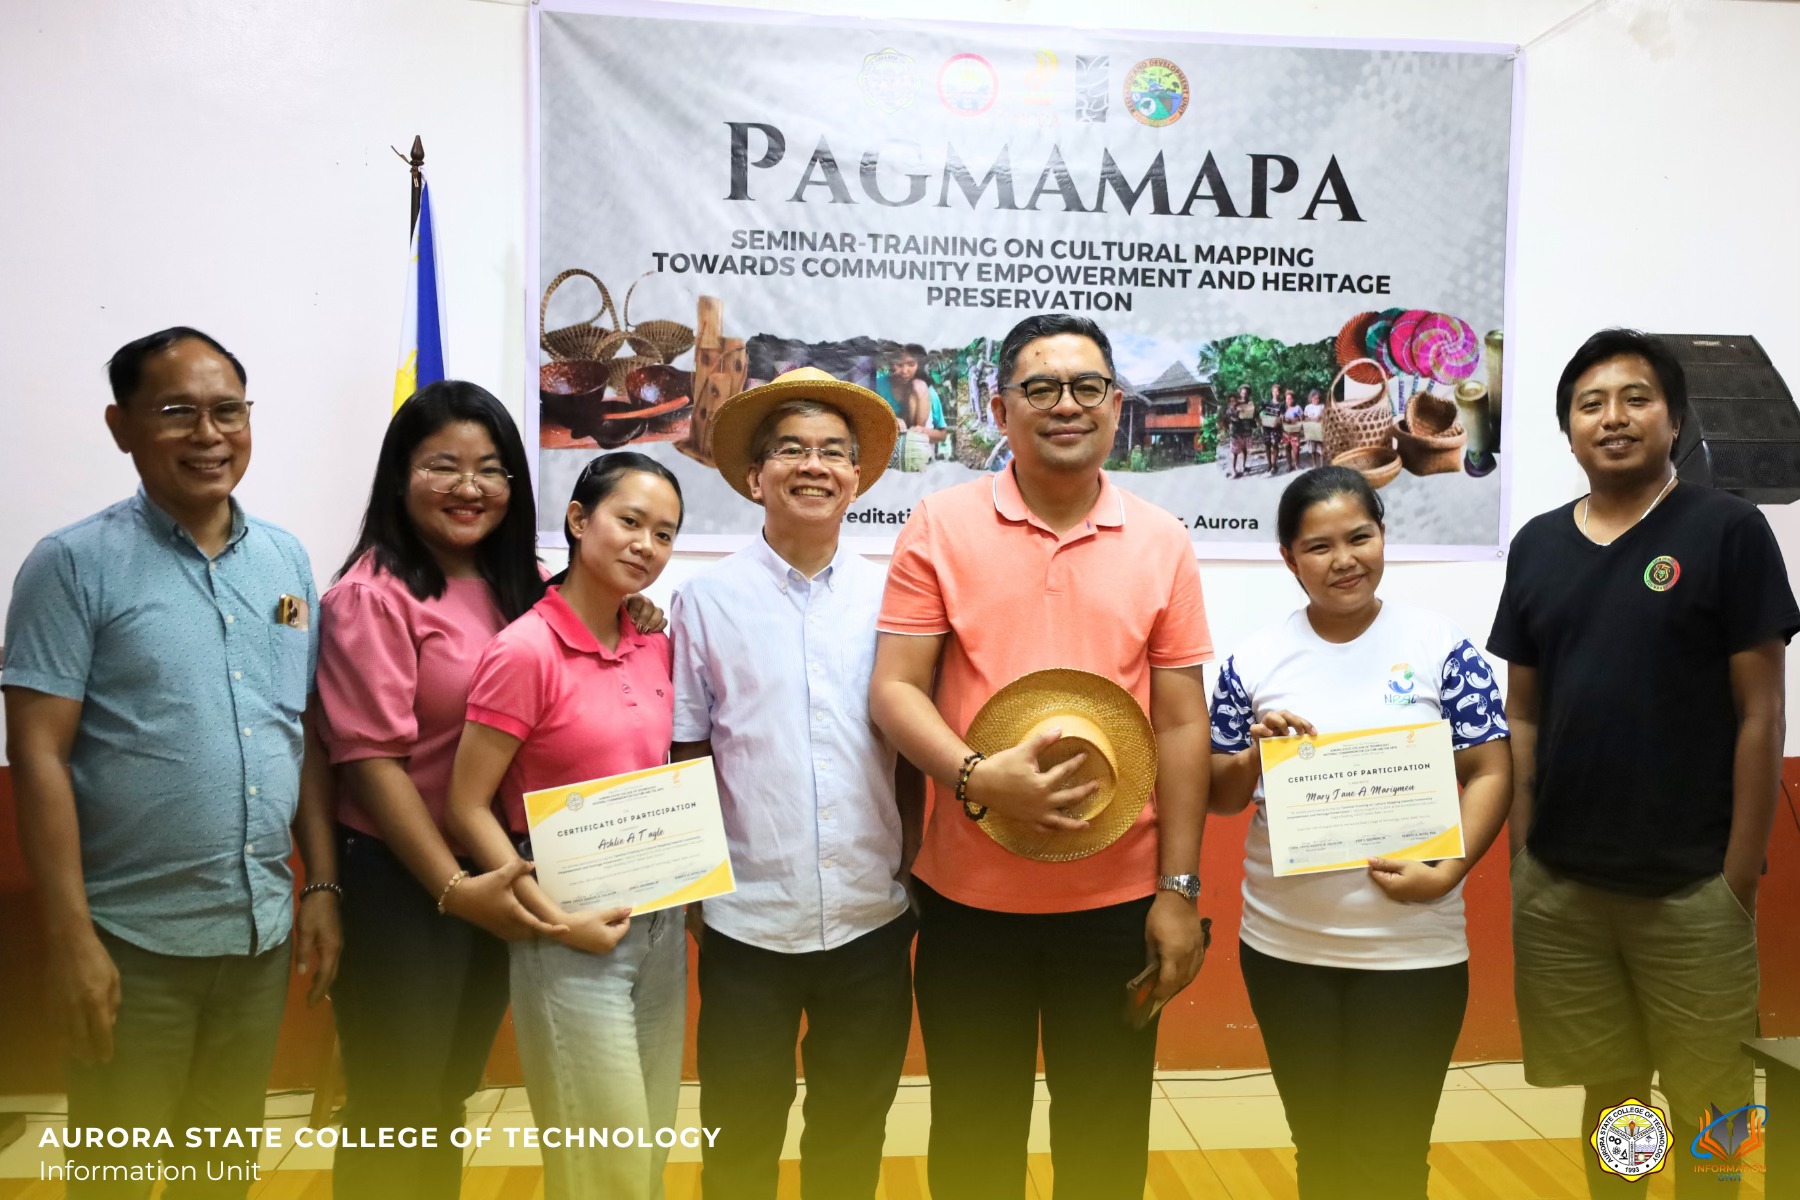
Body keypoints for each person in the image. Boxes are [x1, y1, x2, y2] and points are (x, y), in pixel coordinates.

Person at [869, 313, 1213, 1200]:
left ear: (1115, 404)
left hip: (1118, 906)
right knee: (974, 1143)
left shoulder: (1162, 541)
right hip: (967, 903)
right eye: (1041, 388)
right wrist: (979, 778)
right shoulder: (939, 525)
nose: (1067, 405)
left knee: (1104, 1147)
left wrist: (1178, 891)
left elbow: (1180, 725)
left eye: (1087, 387)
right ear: (1000, 408)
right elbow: (895, 690)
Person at [3, 327, 340, 1198]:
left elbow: (297, 732)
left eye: (228, 411)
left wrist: (319, 888)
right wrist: (70, 938)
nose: (209, 435)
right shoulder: (72, 565)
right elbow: (36, 755)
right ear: (121, 427)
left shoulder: (285, 559)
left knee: (217, 1177)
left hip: (257, 937)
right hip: (130, 944)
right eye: (177, 413)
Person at [1488, 329, 1795, 1198]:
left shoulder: (1727, 529)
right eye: (1591, 404)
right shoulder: (1539, 546)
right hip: (1568, 889)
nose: (1613, 418)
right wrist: (1522, 854)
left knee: (1716, 1100)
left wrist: (1736, 875)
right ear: (1568, 429)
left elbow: (1761, 711)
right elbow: (1524, 713)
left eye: (1636, 398)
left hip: (1694, 889)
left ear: (1674, 419)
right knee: (1615, 1090)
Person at [1208, 466, 1512, 1200]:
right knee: (1319, 1148)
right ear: (1289, 559)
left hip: (1414, 953)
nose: (1344, 560)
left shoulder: (1441, 646)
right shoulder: (1254, 660)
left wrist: (1450, 869)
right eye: (1319, 546)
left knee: (1393, 1153)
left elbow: (1492, 769)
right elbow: (1220, 795)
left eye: (1360, 537)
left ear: (1383, 537)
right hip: (1284, 948)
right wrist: (1256, 748)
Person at [670, 368, 920, 1199]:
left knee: (852, 1133)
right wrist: (697, 898)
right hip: (747, 925)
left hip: (870, 920)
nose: (813, 466)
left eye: (832, 453)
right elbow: (688, 754)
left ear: (857, 476)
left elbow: (918, 754)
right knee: (739, 1138)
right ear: (755, 476)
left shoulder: (898, 601)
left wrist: (909, 874)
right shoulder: (703, 604)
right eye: (791, 451)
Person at [316, 381, 561, 1200]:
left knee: (446, 1093)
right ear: (399, 476)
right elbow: (370, 764)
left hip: (497, 872)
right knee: (395, 1106)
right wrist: (453, 889)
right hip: (404, 881)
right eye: (443, 467)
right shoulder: (371, 594)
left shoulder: (518, 581)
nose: (469, 488)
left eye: (490, 470)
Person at [445, 452, 686, 1200]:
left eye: (665, 533)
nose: (646, 544)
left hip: (661, 930)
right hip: (570, 933)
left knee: (643, 1156)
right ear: (579, 521)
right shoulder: (524, 651)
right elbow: (465, 805)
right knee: (600, 1169)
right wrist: (552, 922)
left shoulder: (655, 642)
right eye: (629, 521)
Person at [1228, 384, 1257, 478]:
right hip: (1236, 429)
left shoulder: (1250, 403)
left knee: (1244, 448)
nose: (1244, 394)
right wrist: (1237, 411)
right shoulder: (1235, 402)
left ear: (1248, 394)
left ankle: (1242, 466)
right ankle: (1233, 470)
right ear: (1240, 393)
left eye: (1246, 393)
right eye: (1243, 392)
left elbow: (1253, 414)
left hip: (1246, 428)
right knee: (1234, 450)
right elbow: (1229, 412)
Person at [1261, 381, 1286, 476]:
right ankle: (1269, 464)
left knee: (1275, 444)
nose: (1276, 393)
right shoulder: (1267, 403)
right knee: (1267, 445)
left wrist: (1280, 420)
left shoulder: (1281, 404)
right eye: (1274, 391)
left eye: (1278, 391)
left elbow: (1282, 415)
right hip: (1267, 427)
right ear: (1272, 392)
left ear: (1280, 393)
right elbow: (1261, 412)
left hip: (1276, 427)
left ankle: (1274, 465)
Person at [1281, 387, 1304, 473]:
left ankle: (1296, 464)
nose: (1289, 400)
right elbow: (1280, 418)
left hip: (1295, 430)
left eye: (1290, 398)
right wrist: (1284, 419)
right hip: (1286, 431)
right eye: (1287, 399)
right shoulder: (1283, 408)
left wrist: (1296, 419)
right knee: (1287, 447)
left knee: (1296, 448)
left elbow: (1302, 417)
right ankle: (1289, 465)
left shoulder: (1297, 407)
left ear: (1293, 399)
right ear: (1285, 400)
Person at [1302, 389, 1326, 468]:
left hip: (1319, 429)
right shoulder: (1308, 407)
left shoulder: (1322, 406)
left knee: (1321, 449)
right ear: (1311, 398)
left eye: (1318, 398)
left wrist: (1319, 418)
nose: (1317, 400)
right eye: (1315, 398)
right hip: (1311, 430)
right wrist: (1310, 419)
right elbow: (1305, 418)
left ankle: (1322, 465)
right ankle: (1314, 464)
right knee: (1312, 449)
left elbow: (1324, 416)